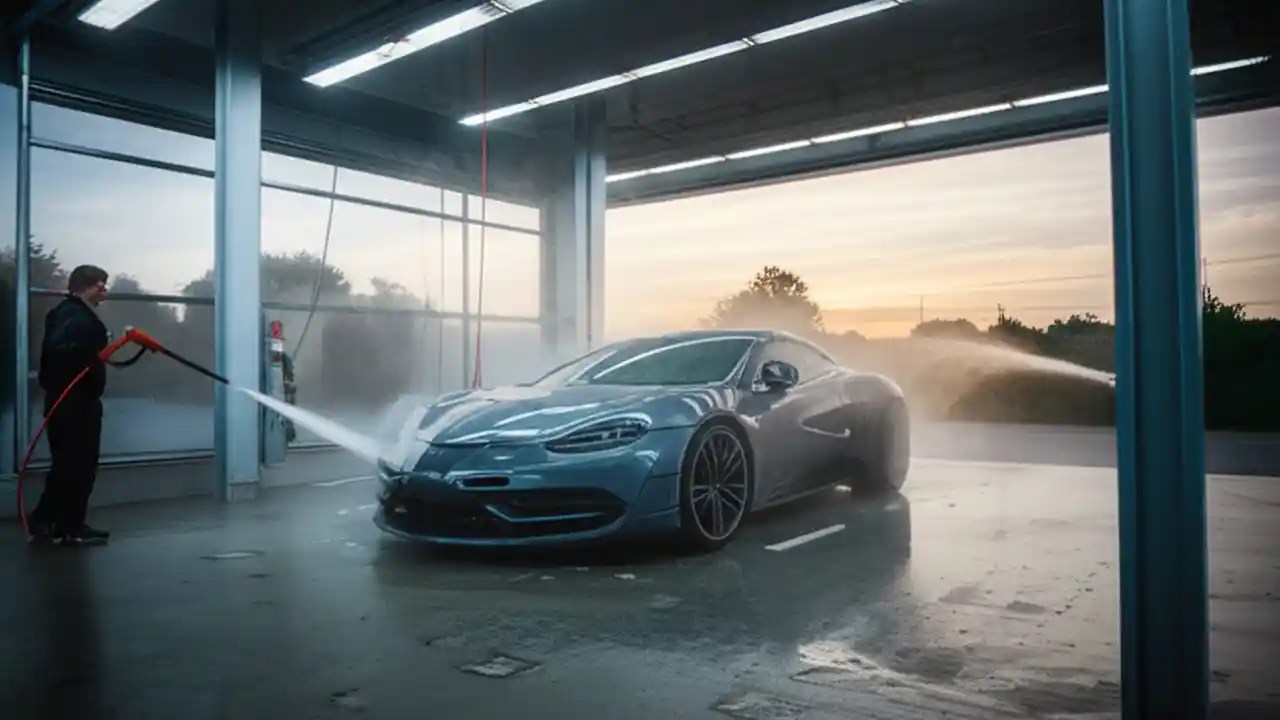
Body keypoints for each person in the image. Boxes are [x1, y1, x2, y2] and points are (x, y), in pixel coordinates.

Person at [28, 265, 111, 545]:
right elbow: (65, 353)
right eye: (100, 285)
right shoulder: (73, 316)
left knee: (77, 464)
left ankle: (68, 524)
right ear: (85, 286)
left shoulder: (73, 315)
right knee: (73, 464)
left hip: (75, 400)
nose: (104, 290)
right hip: (72, 402)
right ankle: (49, 522)